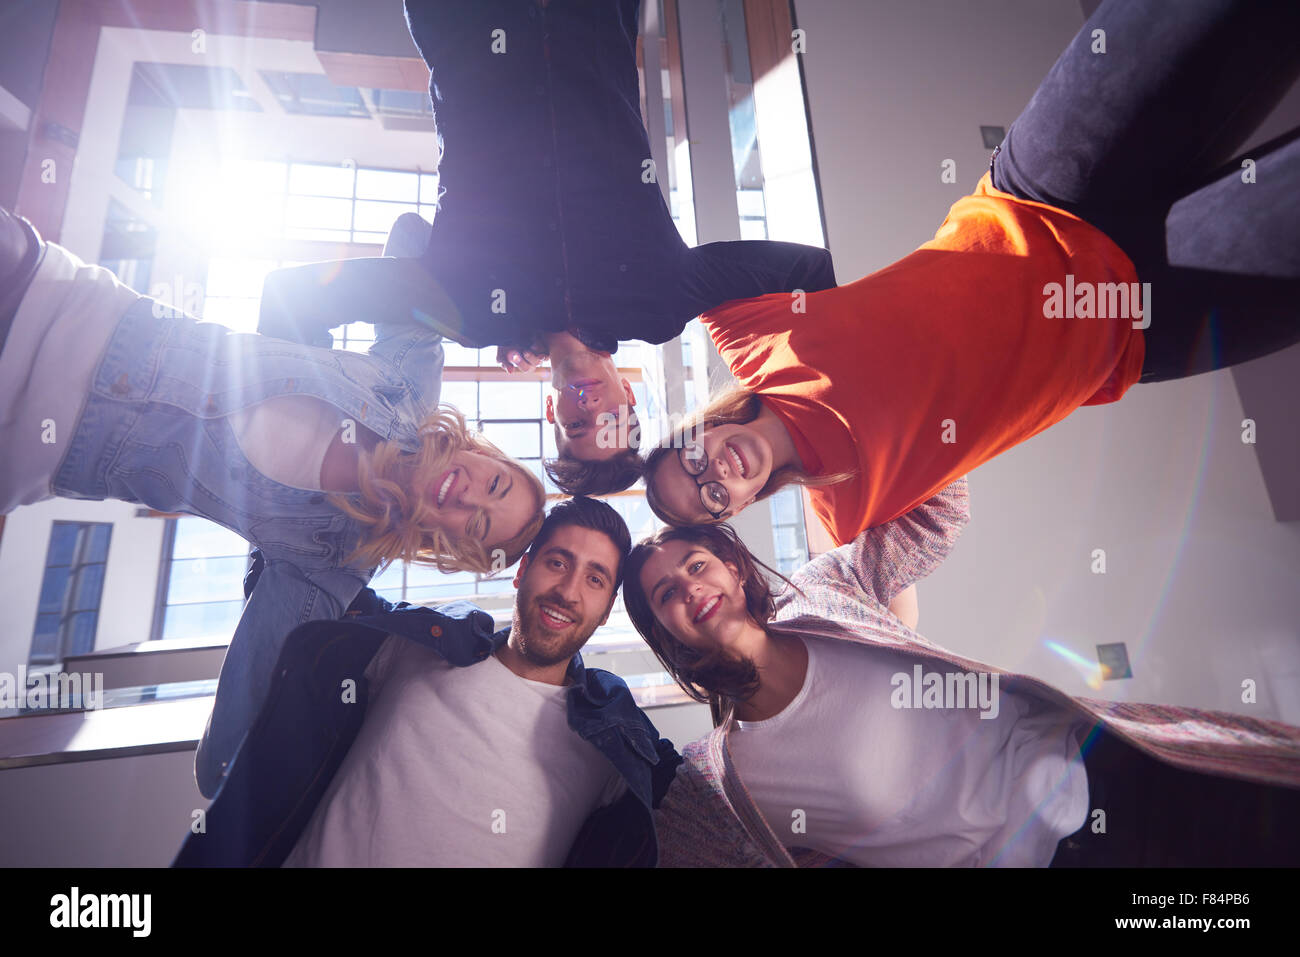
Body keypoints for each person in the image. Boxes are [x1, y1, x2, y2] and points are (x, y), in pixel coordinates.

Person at [644, 0, 1300, 541]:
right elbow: (867, 625)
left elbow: (676, 282)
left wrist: (577, 343)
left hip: (1048, 186)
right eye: (712, 499)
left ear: (698, 431)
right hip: (1142, 322)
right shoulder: (848, 518)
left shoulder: (751, 341)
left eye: (693, 459)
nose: (717, 472)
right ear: (735, 511)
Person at [0, 207, 545, 799]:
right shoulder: (409, 383)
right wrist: (497, 321)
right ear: (486, 456)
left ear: (451, 548)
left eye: (477, 527)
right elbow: (415, 235)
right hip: (60, 300)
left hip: (32, 448)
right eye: (494, 484)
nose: (468, 497)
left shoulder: (331, 568)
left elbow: (221, 764)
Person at [260, 0, 838, 495]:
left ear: (550, 413)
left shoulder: (467, 315)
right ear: (629, 397)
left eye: (575, 428)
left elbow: (294, 295)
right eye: (608, 422)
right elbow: (809, 271)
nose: (589, 411)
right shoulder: (660, 304)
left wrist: (308, 436)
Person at [622, 477, 1300, 866]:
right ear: (667, 633)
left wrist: (799, 458)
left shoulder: (823, 589)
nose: (688, 588)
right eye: (663, 595)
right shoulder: (719, 780)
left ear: (734, 567)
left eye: (696, 564)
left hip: (1108, 764)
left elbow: (938, 509)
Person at [173, 496, 682, 867]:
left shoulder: (615, 743)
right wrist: (408, 497)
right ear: (521, 570)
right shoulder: (414, 643)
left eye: (594, 579)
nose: (569, 591)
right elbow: (302, 574)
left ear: (606, 606)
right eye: (557, 562)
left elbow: (713, 810)